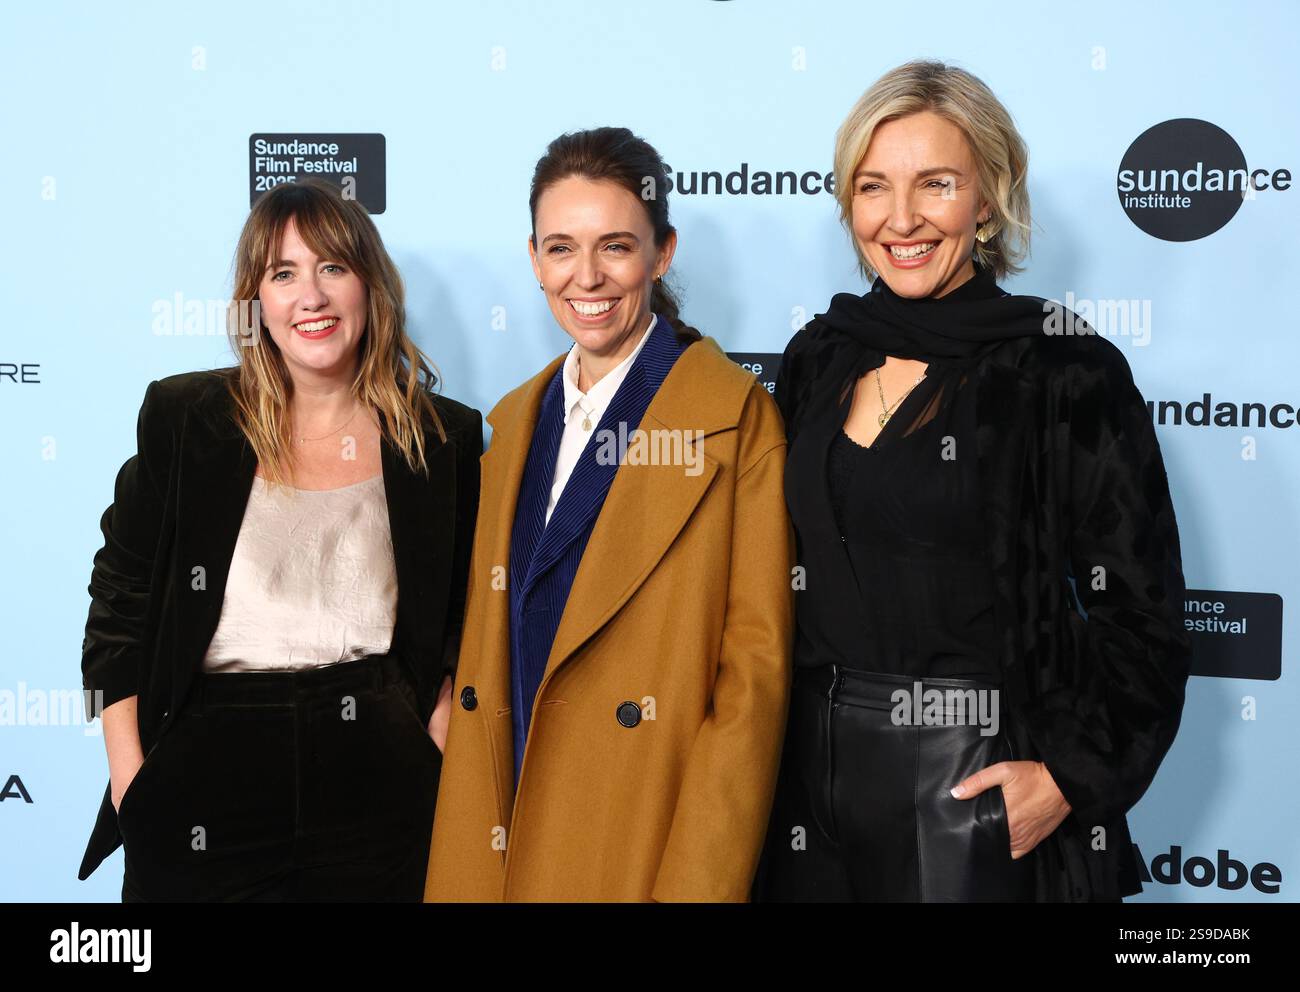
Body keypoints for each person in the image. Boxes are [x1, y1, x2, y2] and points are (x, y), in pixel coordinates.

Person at [752, 60, 1191, 902]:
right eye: (874, 187)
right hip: (805, 784)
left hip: (970, 784)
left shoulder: (1065, 369)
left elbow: (1145, 617)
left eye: (936, 184)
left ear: (988, 197)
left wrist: (1065, 777)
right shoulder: (821, 355)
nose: (902, 218)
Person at [78, 178, 482, 901]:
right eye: (284, 273)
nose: (312, 297)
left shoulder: (441, 436)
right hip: (205, 771)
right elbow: (121, 601)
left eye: (333, 267)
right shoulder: (185, 419)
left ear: (370, 286)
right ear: (255, 299)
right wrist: (130, 780)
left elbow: (461, 613)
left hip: (383, 780)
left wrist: (438, 734)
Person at [423, 127, 794, 902]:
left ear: (662, 253)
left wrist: (697, 886)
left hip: (637, 834)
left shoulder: (734, 419)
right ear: (533, 261)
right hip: (505, 814)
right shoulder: (517, 421)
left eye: (615, 247)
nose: (586, 276)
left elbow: (752, 689)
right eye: (561, 249)